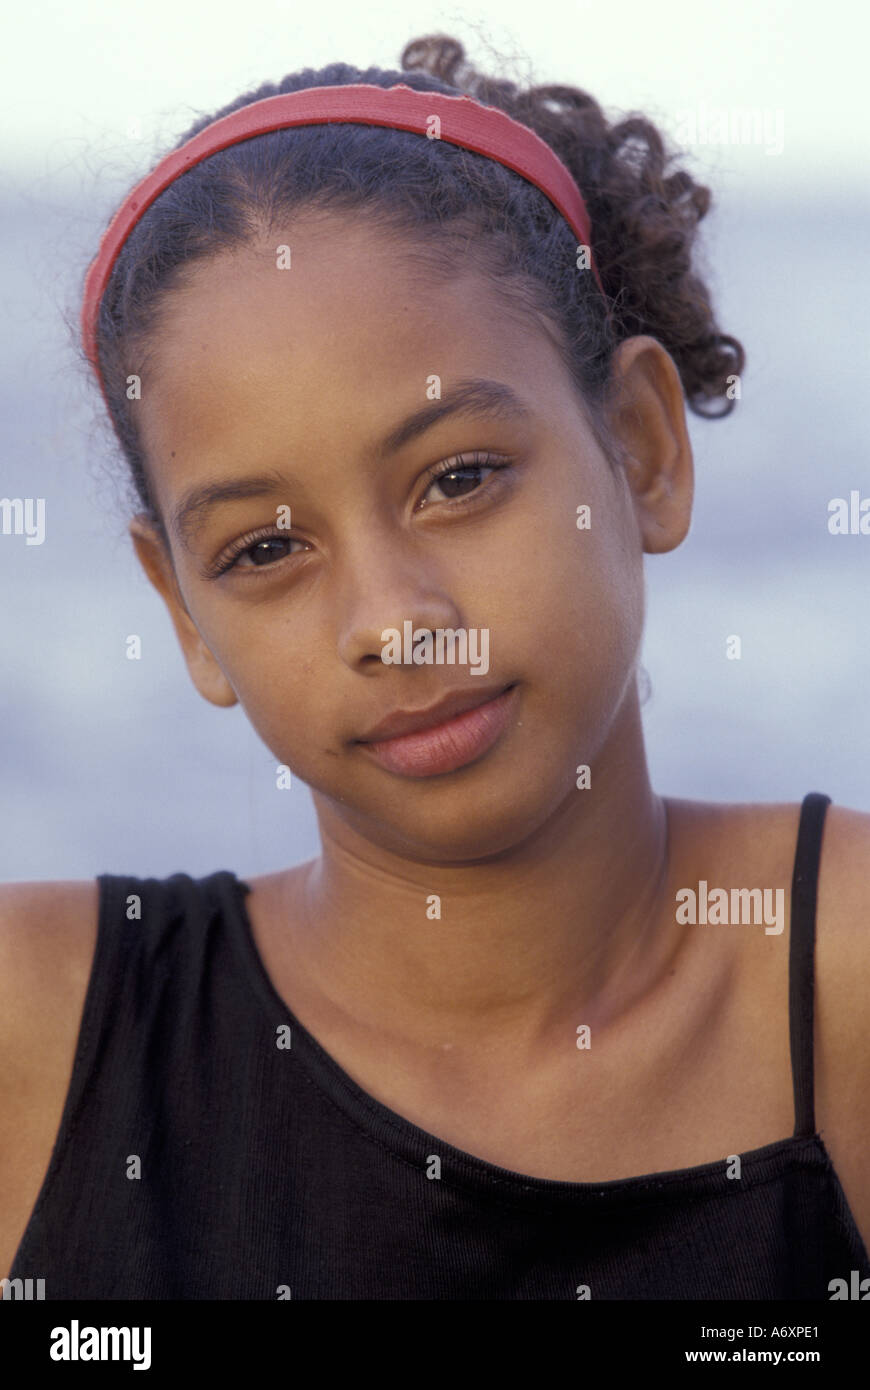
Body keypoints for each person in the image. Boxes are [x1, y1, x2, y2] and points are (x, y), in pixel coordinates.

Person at [1, 33, 868, 1300]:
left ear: (640, 448)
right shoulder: (40, 1035)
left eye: (458, 478)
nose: (394, 621)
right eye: (266, 548)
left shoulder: (845, 970)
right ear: (182, 609)